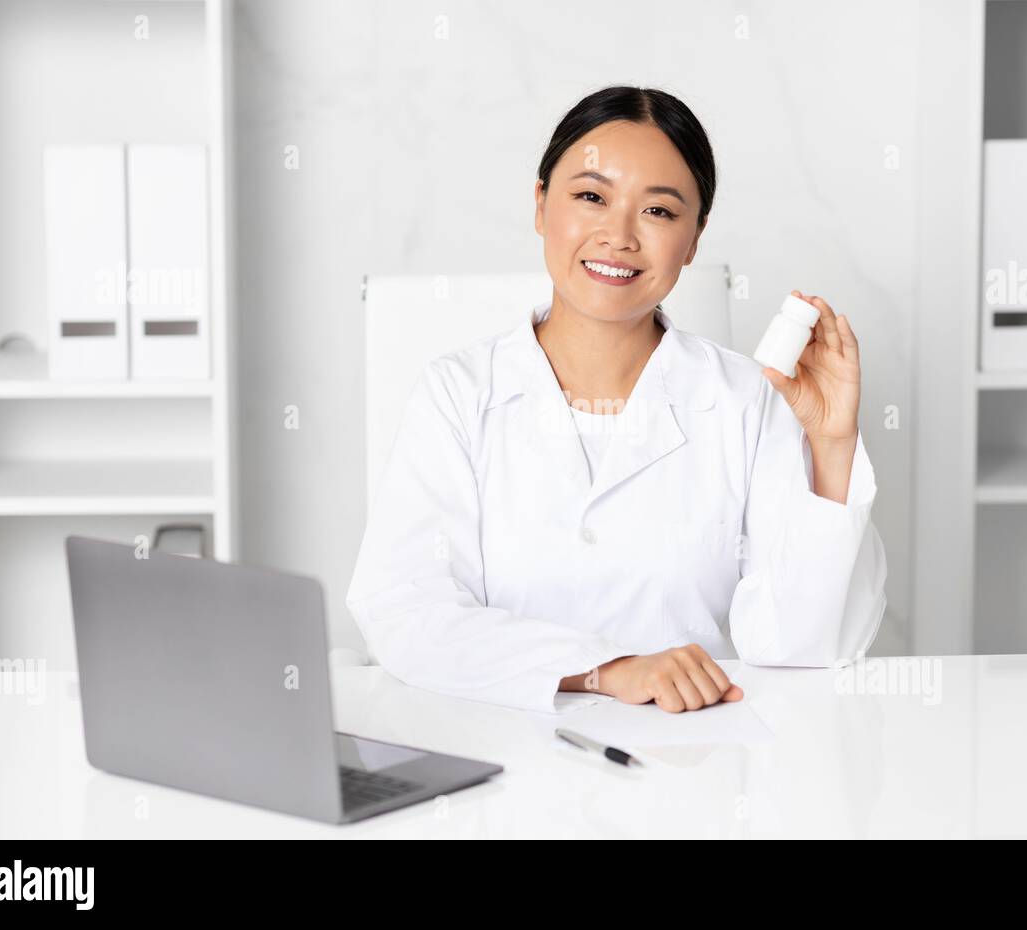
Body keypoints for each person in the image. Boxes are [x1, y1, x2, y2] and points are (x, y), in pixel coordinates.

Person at [346, 85, 887, 714]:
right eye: (591, 197)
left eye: (658, 212)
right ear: (542, 204)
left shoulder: (748, 399)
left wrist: (831, 445)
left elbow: (805, 648)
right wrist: (607, 670)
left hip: (695, 761)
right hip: (502, 757)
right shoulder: (458, 394)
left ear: (694, 238)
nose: (619, 235)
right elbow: (405, 610)